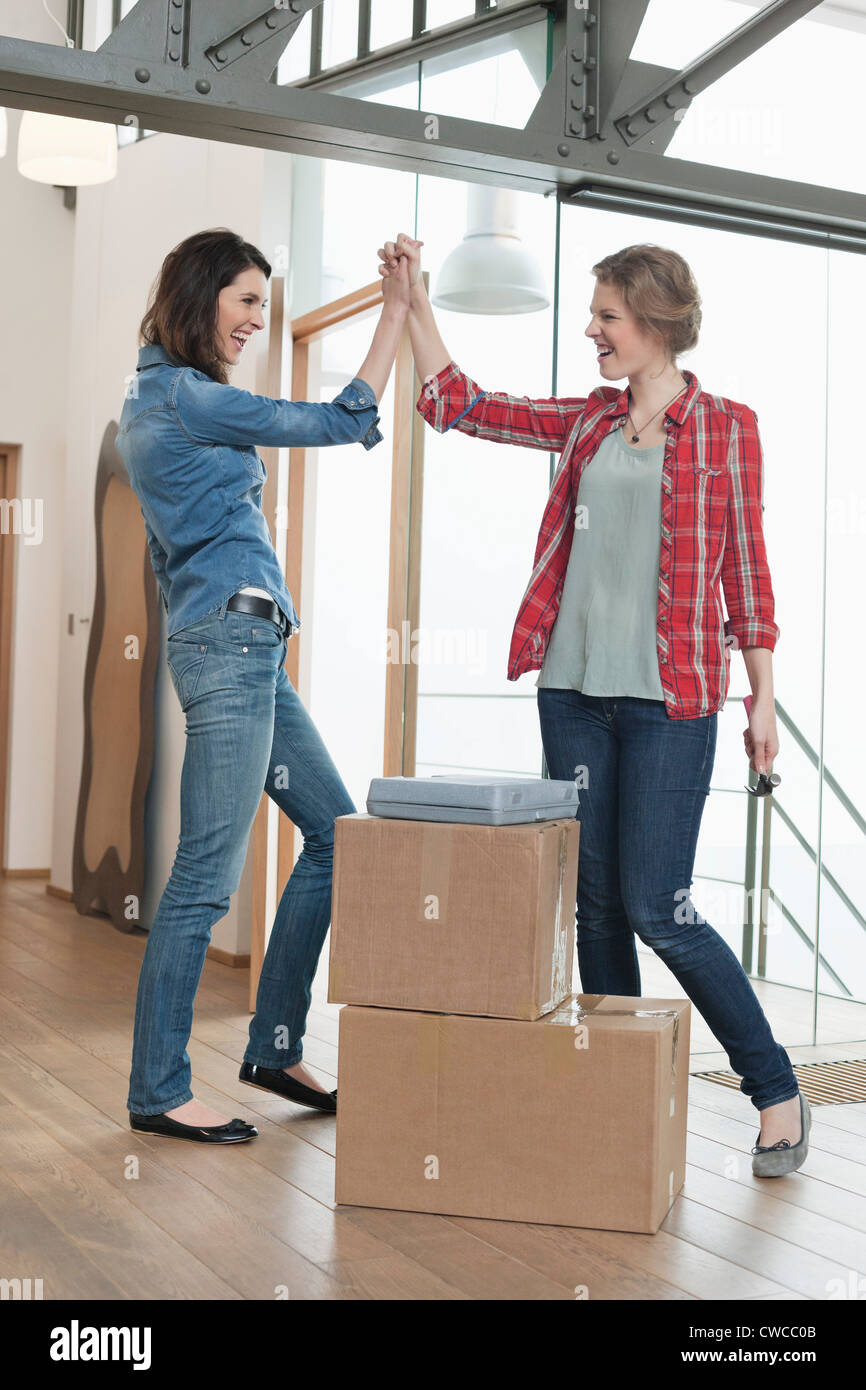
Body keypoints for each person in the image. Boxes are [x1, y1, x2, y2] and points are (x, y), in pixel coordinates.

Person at [379, 232, 810, 1178]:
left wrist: (763, 698)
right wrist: (412, 304)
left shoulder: (730, 427)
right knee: (598, 909)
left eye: (606, 316)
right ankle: (621, 1097)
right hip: (573, 694)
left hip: (673, 702)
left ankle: (774, 1088)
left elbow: (748, 572)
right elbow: (464, 405)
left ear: (655, 323)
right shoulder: (589, 422)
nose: (592, 331)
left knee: (661, 906)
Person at [118, 227, 409, 1143]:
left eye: (263, 305)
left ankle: (275, 1043)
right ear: (201, 294)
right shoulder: (188, 399)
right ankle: (160, 1088)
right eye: (245, 301)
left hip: (242, 647)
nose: (254, 320)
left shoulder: (153, 397)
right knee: (206, 877)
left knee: (338, 834)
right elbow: (336, 419)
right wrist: (397, 312)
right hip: (234, 647)